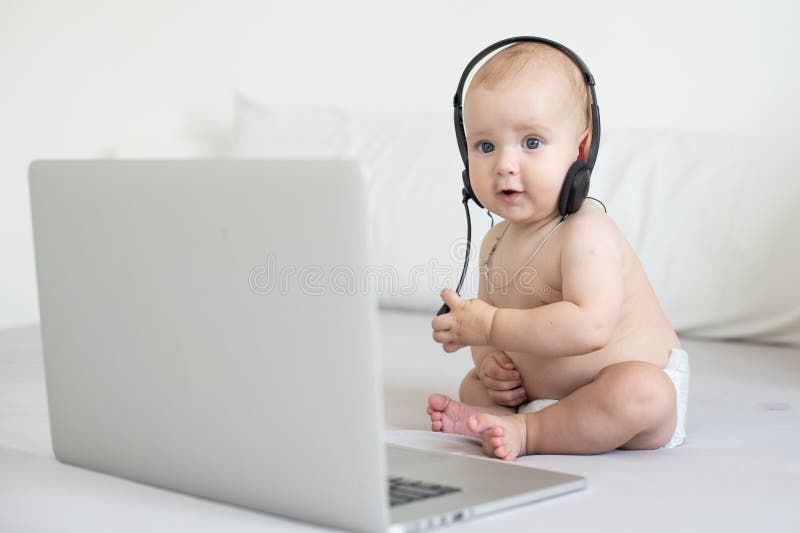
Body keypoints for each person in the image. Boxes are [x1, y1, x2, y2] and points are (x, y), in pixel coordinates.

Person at [427, 41, 689, 461]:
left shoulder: (587, 233)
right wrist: (487, 353)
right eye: (485, 146)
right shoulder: (494, 241)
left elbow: (589, 327)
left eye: (531, 143)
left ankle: (529, 432)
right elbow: (489, 321)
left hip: (620, 396)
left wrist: (491, 325)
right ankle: (495, 416)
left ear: (580, 150)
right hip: (541, 392)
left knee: (642, 392)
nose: (504, 165)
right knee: (475, 381)